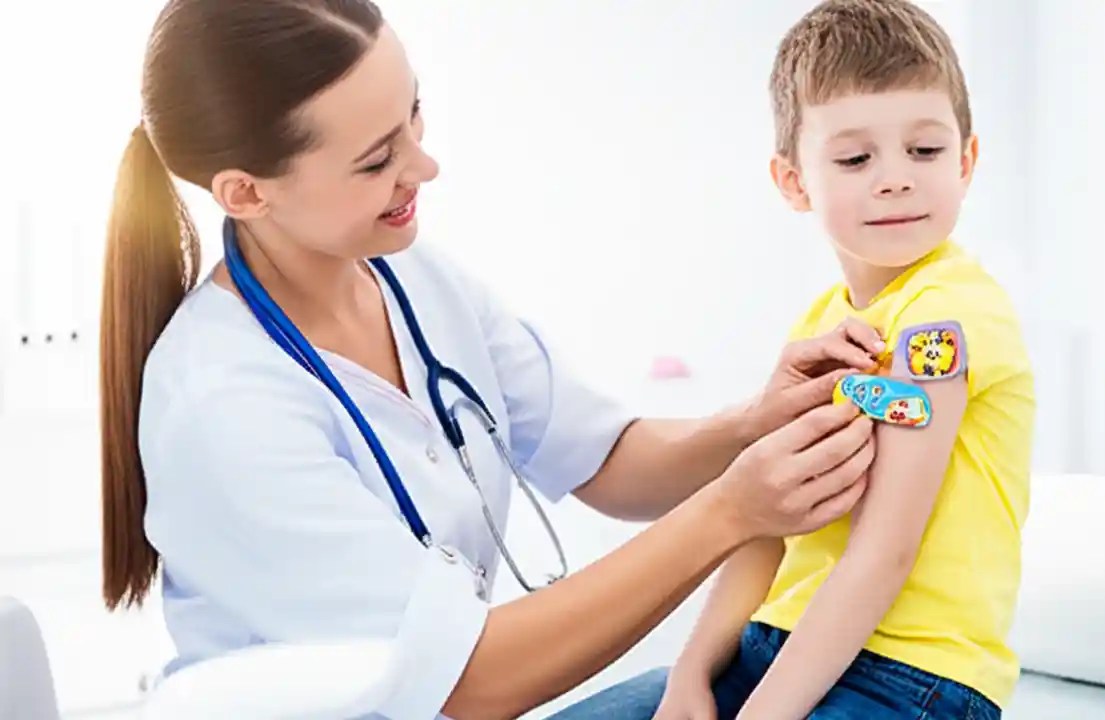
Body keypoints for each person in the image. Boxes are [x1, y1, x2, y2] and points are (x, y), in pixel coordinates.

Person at [97, 2, 887, 719]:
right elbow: (469, 684)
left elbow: (607, 459)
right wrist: (729, 513)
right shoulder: (225, 406)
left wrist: (751, 424)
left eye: (414, 114)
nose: (424, 166)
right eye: (377, 161)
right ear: (244, 193)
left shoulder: (412, 277)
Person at [649, 1, 1037, 718]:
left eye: (924, 151)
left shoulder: (948, 316)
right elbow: (765, 523)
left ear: (966, 160)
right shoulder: (819, 326)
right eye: (856, 159)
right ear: (794, 181)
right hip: (774, 646)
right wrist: (691, 675)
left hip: (913, 675)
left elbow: (884, 554)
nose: (894, 179)